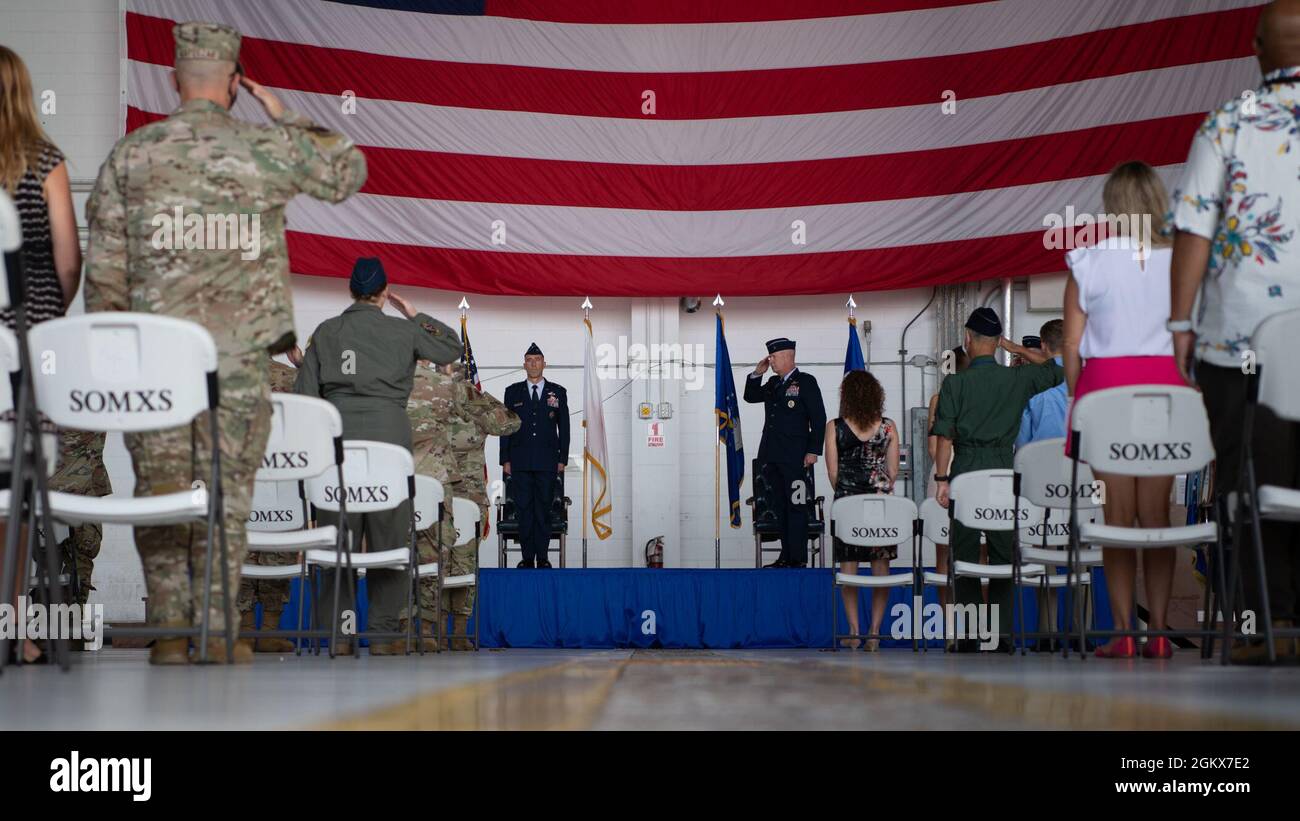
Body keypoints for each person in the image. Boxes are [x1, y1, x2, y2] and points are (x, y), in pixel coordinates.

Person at [84, 21, 368, 665]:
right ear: (235, 84)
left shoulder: (133, 156)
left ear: (171, 79)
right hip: (237, 364)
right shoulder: (263, 149)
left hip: (151, 362)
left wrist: (110, 369)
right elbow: (348, 171)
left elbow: (103, 277)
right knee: (229, 494)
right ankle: (217, 630)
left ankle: (171, 633)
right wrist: (284, 114)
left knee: (160, 492)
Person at [1170, 0, 1300, 663]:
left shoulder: (1227, 123)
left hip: (1240, 344)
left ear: (1256, 49)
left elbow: (1193, 226)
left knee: (1248, 484)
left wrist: (1179, 322)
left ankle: (1261, 624)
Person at [295, 258, 460, 656]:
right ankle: (386, 635)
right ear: (385, 293)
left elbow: (304, 399)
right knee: (389, 541)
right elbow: (452, 347)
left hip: (339, 448)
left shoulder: (326, 331)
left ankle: (340, 634)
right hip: (389, 443)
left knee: (338, 544)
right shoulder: (402, 330)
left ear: (350, 292)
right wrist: (415, 314)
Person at [1065, 161, 1184, 659]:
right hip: (1165, 389)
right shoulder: (1181, 259)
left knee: (1116, 517)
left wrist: (1079, 401)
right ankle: (1157, 631)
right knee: (1156, 515)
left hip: (1107, 389)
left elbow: (1071, 346)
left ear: (1112, 205)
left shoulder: (1087, 261)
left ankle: (1123, 634)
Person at [0, 46, 89, 663]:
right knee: (18, 493)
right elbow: (67, 260)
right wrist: (46, 321)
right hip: (26, 344)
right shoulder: (46, 162)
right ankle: (14, 628)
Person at [931, 308, 1064, 649]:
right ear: (997, 342)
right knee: (1005, 553)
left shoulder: (954, 383)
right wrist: (1016, 349)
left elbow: (944, 437)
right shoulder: (1016, 379)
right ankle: (1002, 634)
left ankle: (972, 635)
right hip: (1004, 470)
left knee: (964, 554)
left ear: (967, 339)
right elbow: (1059, 368)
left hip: (966, 470)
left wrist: (943, 478)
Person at [406, 363, 518, 648]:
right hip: (432, 490)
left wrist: (471, 403)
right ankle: (433, 630)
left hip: (468, 494)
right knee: (432, 560)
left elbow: (510, 423)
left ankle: (457, 631)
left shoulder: (470, 395)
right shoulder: (419, 396)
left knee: (464, 564)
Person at [235, 345, 303, 654]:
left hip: (242, 477)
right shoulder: (291, 378)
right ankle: (270, 631)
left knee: (242, 552)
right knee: (279, 551)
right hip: (283, 477)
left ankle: (245, 629)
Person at [825, 370, 898, 651]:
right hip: (881, 506)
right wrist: (876, 486)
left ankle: (854, 631)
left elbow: (833, 472)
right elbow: (892, 472)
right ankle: (875, 632)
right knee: (881, 569)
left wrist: (848, 490)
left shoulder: (834, 426)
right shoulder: (889, 427)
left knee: (848, 571)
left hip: (847, 504)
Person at [1008, 319, 1069, 650]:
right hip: (1085, 487)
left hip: (1045, 486)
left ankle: (1047, 633)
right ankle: (1082, 631)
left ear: (1043, 347)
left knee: (1047, 559)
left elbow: (1024, 450)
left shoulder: (1038, 394)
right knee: (1083, 560)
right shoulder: (1089, 384)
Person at [744, 338, 826, 568]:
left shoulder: (806, 382)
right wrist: (756, 374)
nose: (771, 361)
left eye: (774, 357)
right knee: (779, 506)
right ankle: (785, 556)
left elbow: (818, 419)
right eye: (769, 357)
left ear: (789, 356)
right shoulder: (772, 384)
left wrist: (813, 450)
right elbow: (750, 396)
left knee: (796, 506)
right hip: (772, 455)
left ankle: (797, 558)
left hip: (796, 457)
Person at [499, 344, 568, 568]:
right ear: (524, 364)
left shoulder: (557, 392)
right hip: (519, 462)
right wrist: (505, 459)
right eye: (529, 360)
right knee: (525, 510)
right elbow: (506, 426)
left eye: (537, 359)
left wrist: (562, 459)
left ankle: (543, 557)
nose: (533, 363)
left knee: (544, 510)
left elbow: (564, 428)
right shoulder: (513, 391)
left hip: (548, 462)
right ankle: (528, 558)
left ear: (544, 363)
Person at [927, 345, 969, 605]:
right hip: (975, 472)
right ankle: (981, 627)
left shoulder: (939, 398)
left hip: (942, 472)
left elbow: (934, 449)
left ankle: (951, 628)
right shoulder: (982, 395)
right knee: (979, 556)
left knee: (943, 556)